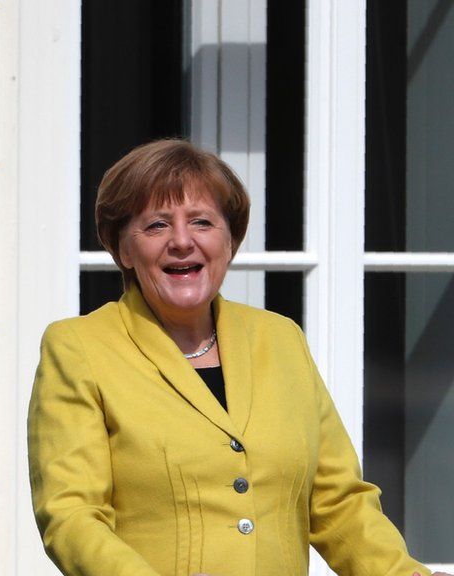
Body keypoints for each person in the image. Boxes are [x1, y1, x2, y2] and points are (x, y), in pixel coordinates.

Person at [27, 139, 446, 576]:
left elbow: (337, 502)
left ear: (231, 240)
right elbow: (72, 515)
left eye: (202, 222)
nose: (182, 241)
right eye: (156, 226)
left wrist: (400, 572)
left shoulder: (281, 339)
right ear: (124, 249)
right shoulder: (79, 347)